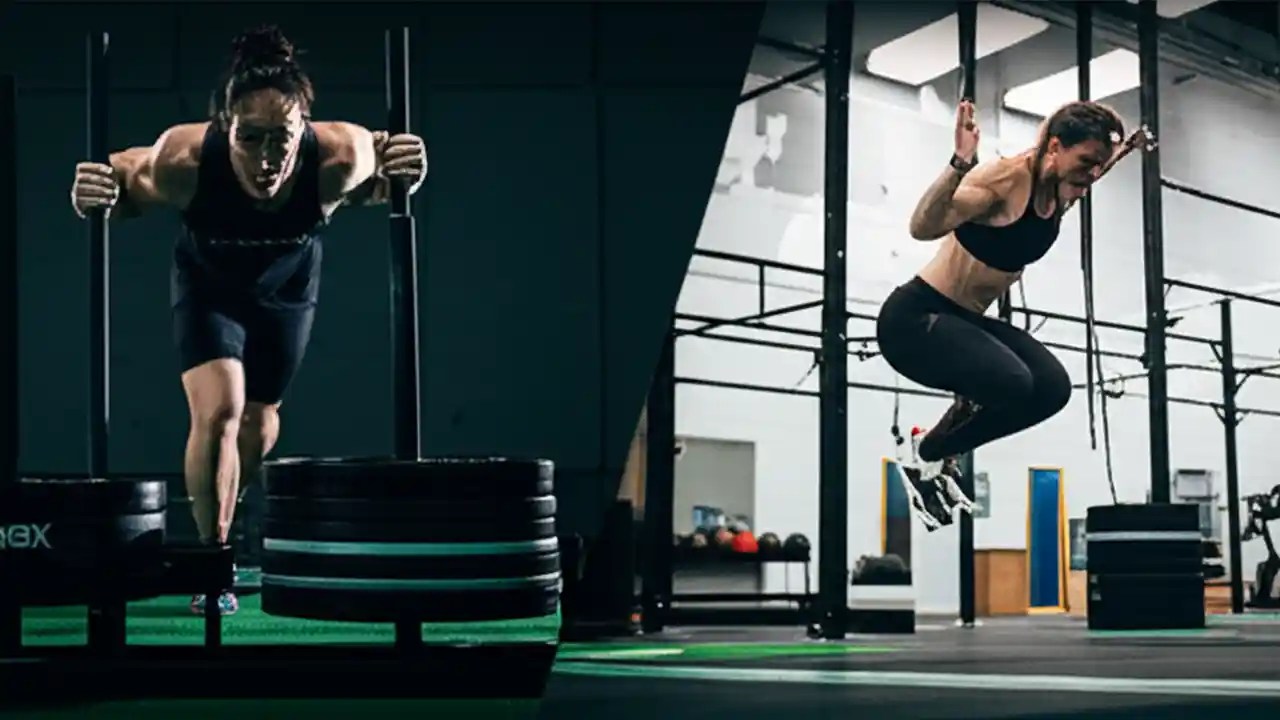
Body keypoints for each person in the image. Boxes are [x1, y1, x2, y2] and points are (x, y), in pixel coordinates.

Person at [68, 25, 428, 614]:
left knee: (258, 426)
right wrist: (92, 190)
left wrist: (409, 169)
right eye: (250, 138)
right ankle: (213, 564)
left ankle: (231, 515)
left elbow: (381, 182)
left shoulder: (341, 154)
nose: (267, 158)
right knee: (220, 411)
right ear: (224, 129)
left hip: (287, 286)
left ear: (304, 129)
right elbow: (123, 182)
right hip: (209, 285)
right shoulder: (182, 160)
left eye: (280, 139)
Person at [876, 98, 1149, 531]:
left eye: (1100, 166)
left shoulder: (1062, 188)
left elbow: (1092, 169)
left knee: (1052, 389)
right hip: (916, 320)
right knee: (1014, 382)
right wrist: (960, 162)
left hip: (964, 321)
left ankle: (933, 453)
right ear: (1055, 147)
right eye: (1087, 163)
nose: (1093, 175)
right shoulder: (1003, 181)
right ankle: (928, 454)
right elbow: (922, 227)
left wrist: (1125, 150)